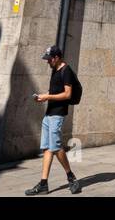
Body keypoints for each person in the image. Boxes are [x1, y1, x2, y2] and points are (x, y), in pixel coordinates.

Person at [24, 46, 82, 195]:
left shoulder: (66, 71)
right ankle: (43, 183)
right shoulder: (55, 70)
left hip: (58, 114)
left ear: (56, 58)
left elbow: (67, 94)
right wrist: (43, 96)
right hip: (49, 114)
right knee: (47, 148)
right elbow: (55, 91)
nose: (47, 62)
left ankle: (71, 177)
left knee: (55, 147)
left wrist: (48, 97)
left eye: (49, 59)